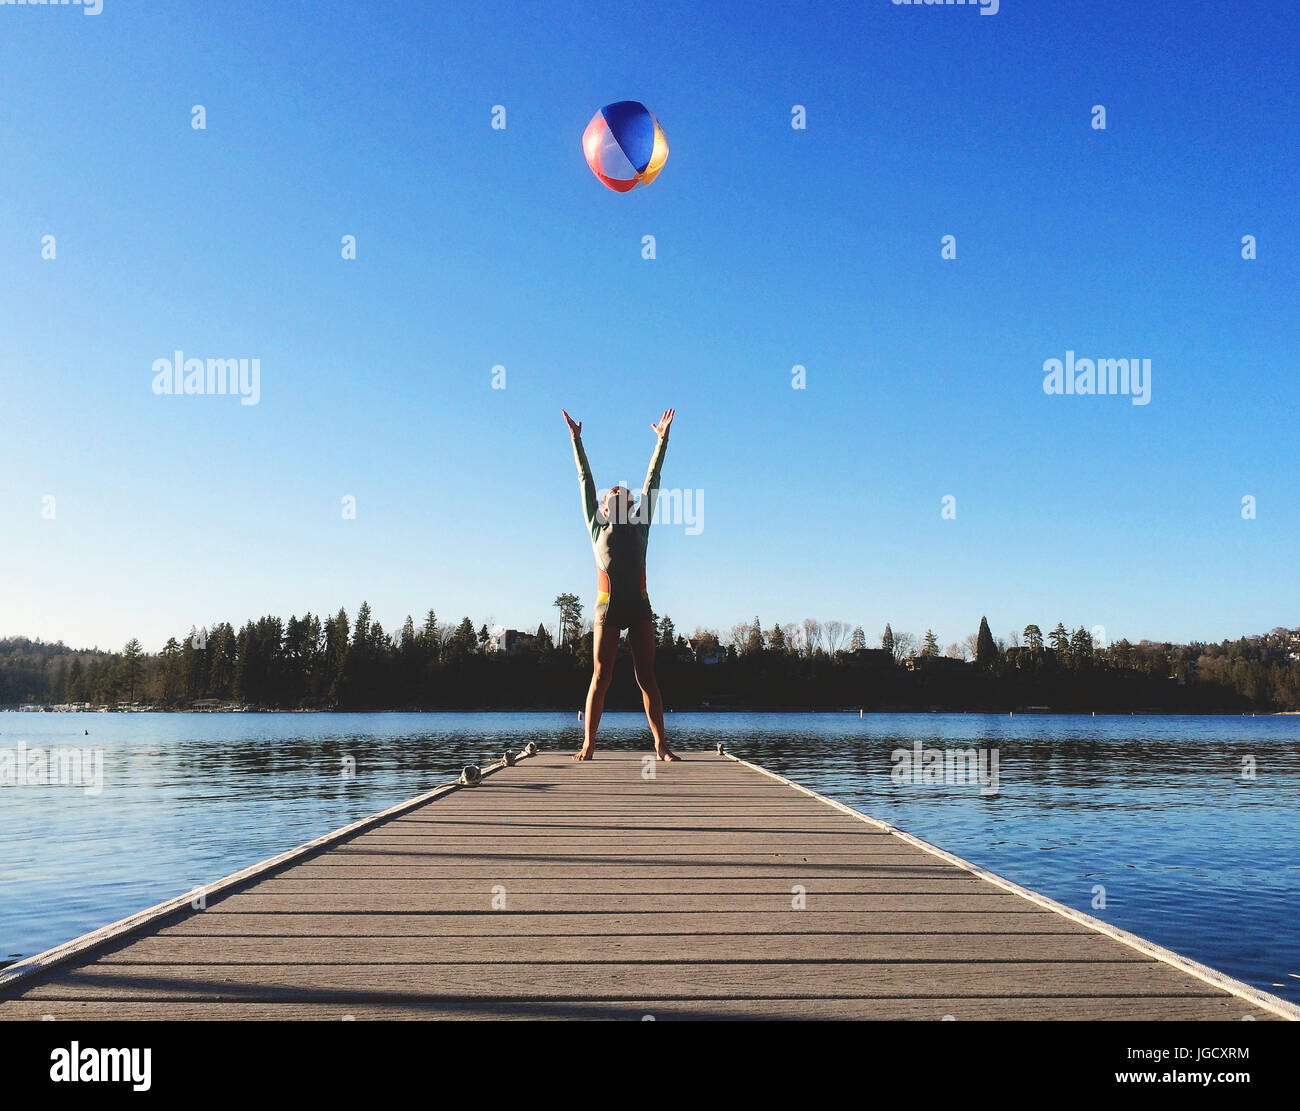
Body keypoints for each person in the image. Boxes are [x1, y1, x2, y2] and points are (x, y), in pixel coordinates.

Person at [562, 407, 679, 762]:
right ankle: (589, 743)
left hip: (639, 608)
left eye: (623, 492)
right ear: (605, 507)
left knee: (647, 676)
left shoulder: (642, 523)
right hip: (607, 609)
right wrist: (576, 440)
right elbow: (585, 480)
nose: (618, 492)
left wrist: (662, 440)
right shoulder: (596, 526)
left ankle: (660, 745)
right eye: (613, 493)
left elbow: (653, 477)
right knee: (601, 675)